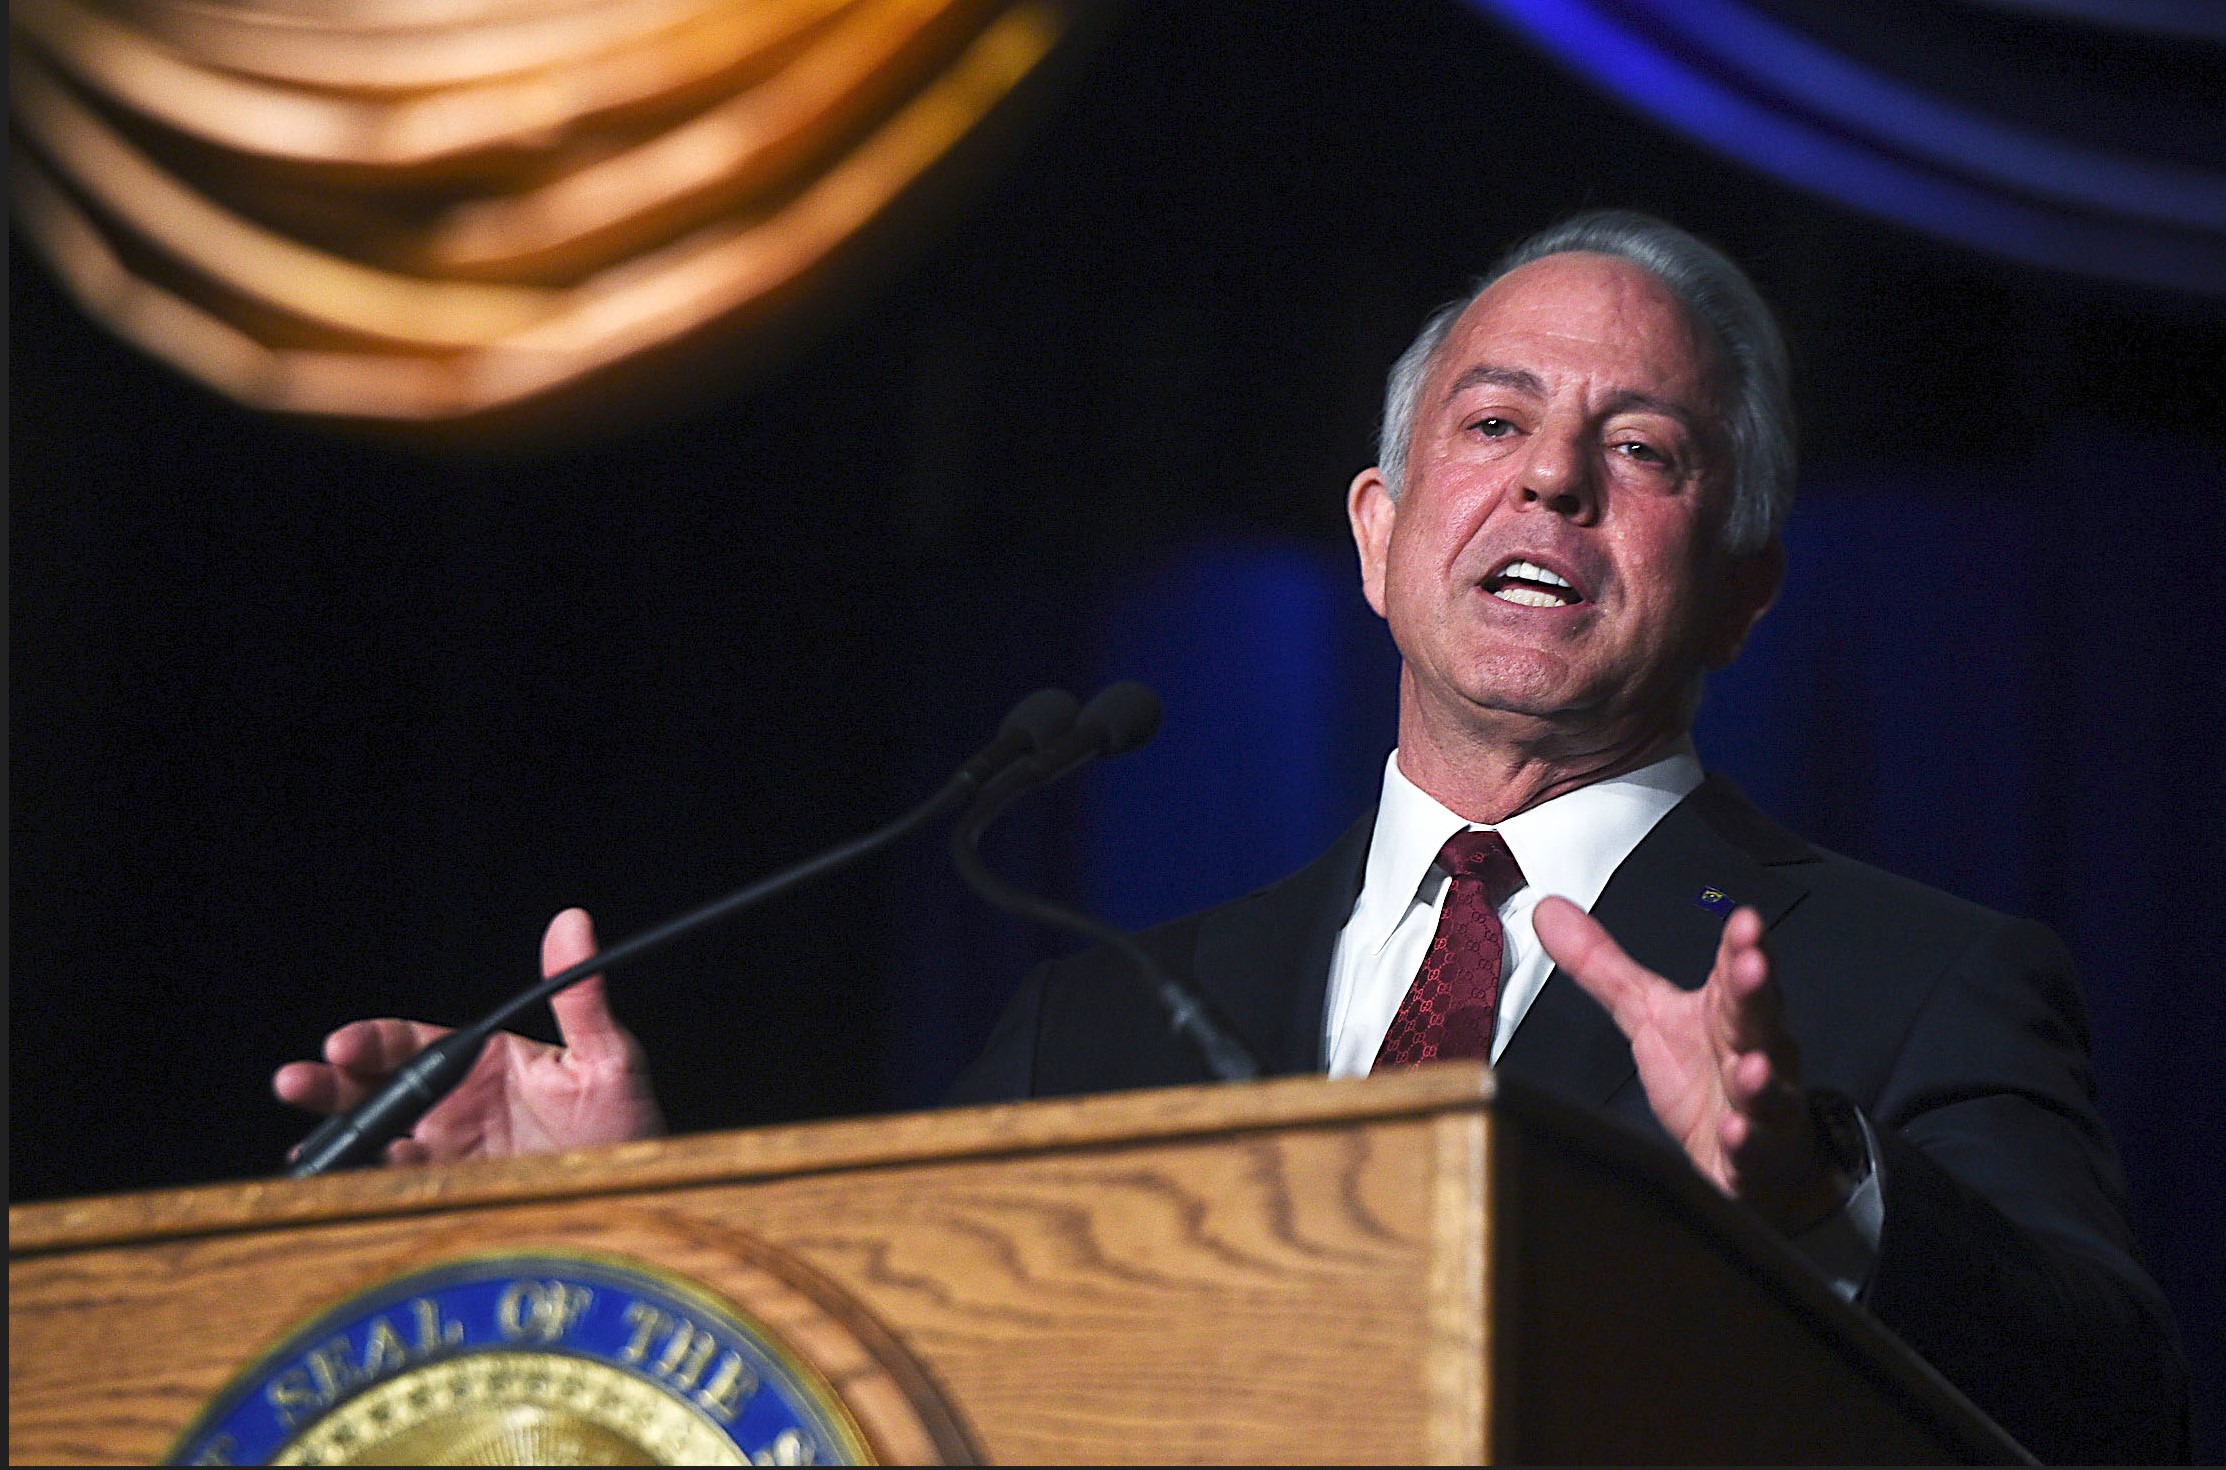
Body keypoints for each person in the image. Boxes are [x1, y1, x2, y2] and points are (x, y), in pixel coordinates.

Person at [276, 212, 2188, 1462]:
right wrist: (627, 1231)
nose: (1550, 474)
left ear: (1745, 589)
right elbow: (891, 1412)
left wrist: (1818, 1192)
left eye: (1642, 449)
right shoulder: (1097, 1018)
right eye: (1492, 422)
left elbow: (2120, 1415)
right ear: (1376, 532)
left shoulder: (1911, 980)